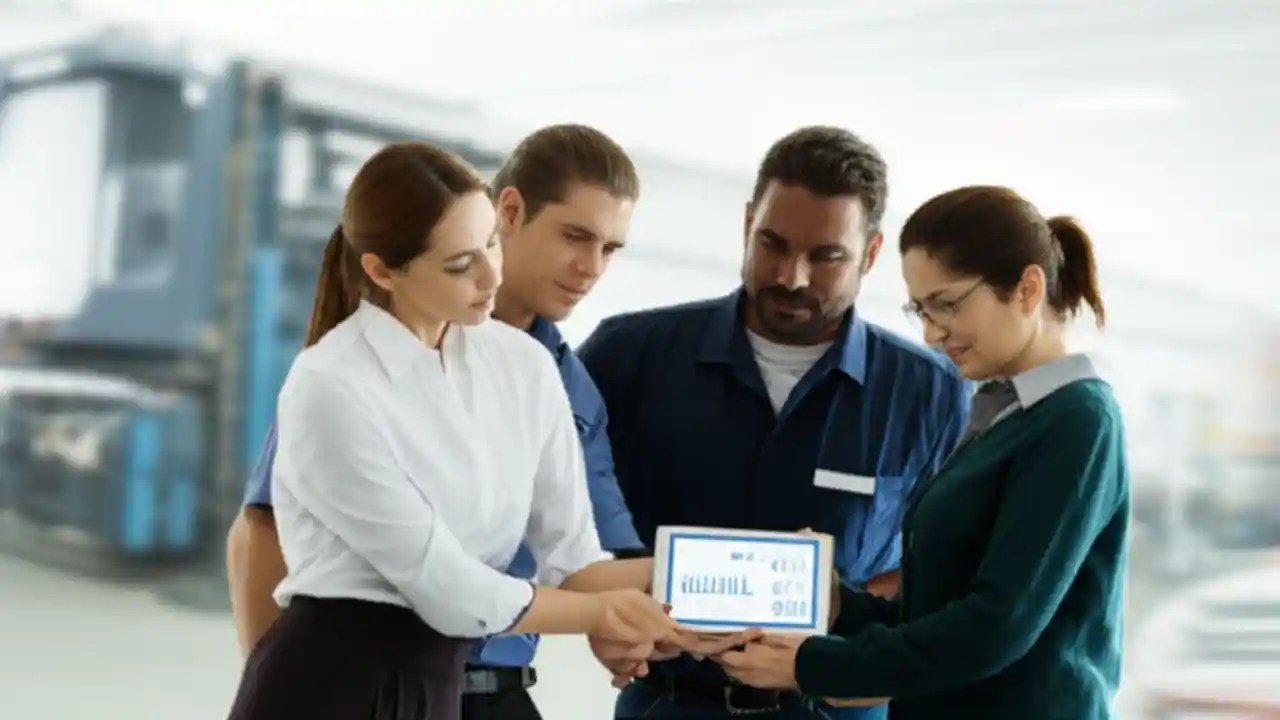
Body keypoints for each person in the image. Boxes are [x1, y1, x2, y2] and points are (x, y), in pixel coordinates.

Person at [224, 141, 690, 720]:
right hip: (331, 687)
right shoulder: (330, 384)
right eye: (459, 263)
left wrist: (721, 575)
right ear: (381, 271)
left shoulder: (526, 366)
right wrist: (602, 615)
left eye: (491, 242)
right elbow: (445, 587)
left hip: (439, 686)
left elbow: (575, 562)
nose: (491, 274)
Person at [577, 126, 972, 719]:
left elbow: (947, 571)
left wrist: (851, 605)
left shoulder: (931, 392)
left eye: (825, 257)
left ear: (868, 254)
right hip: (670, 704)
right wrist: (601, 611)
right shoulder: (627, 356)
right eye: (773, 244)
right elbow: (550, 518)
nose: (792, 276)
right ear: (745, 226)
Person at [715, 185, 1130, 720]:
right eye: (921, 309)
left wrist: (812, 665)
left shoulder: (1077, 420)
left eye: (948, 304)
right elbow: (940, 612)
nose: (933, 333)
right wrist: (843, 604)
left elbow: (996, 624)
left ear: (1028, 288)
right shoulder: (1001, 414)